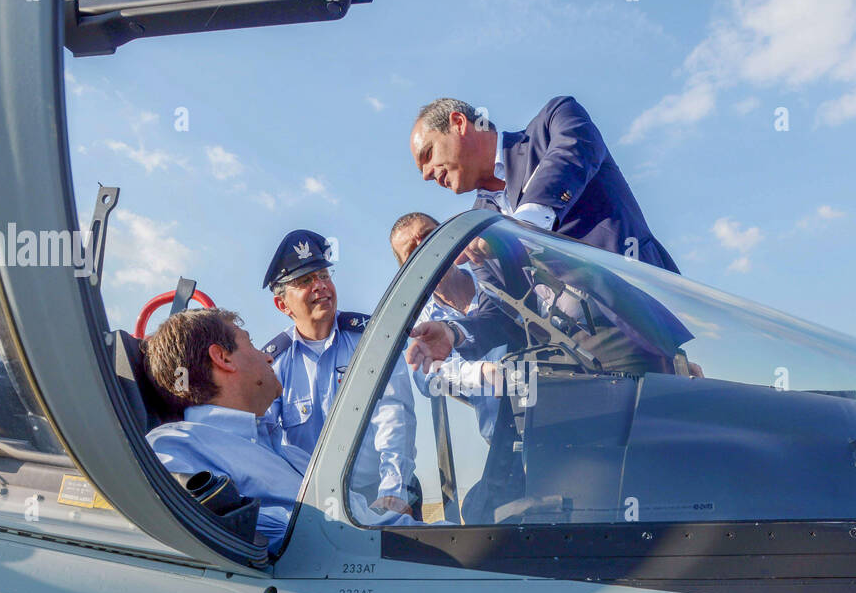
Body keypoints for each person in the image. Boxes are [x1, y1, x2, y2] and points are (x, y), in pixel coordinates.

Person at [406, 96, 680, 367]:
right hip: (567, 365)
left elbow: (572, 152)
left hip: (639, 328)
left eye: (427, 155)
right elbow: (500, 317)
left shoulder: (554, 121)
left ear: (458, 123)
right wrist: (455, 333)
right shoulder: (478, 225)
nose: (426, 175)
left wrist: (515, 231)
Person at [262, 229, 417, 516]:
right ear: (282, 304)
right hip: (316, 504)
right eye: (305, 281)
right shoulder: (273, 363)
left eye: (324, 275)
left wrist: (393, 493)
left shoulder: (372, 337)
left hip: (383, 490)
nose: (320, 285)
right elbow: (265, 442)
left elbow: (395, 414)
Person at [142, 307, 318, 552]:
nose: (269, 358)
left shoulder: (293, 454)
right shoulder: (175, 444)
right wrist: (336, 525)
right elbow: (223, 530)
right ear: (222, 358)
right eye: (252, 344)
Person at [390, 212, 505, 442]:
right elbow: (426, 377)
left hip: (557, 404)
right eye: (413, 251)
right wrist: (480, 373)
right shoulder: (419, 325)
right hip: (503, 439)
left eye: (430, 235)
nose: (427, 249)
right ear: (406, 270)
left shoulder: (495, 275)